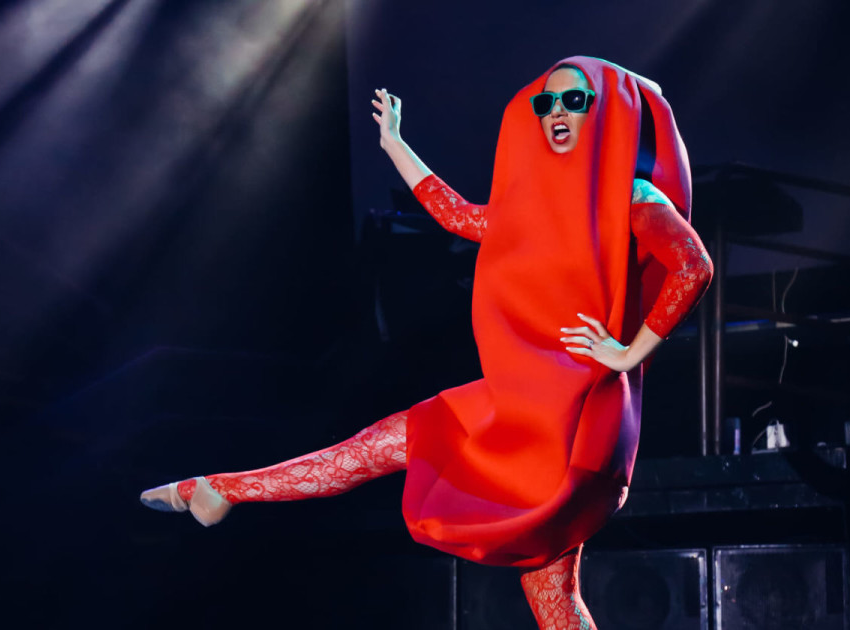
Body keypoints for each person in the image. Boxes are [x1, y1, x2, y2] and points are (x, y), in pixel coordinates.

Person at [141, 56, 713, 628]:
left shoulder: (630, 195)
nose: (557, 111)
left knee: (379, 451)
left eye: (575, 100)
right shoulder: (527, 201)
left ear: (603, 113)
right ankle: (220, 490)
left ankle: (219, 490)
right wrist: (394, 144)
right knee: (552, 598)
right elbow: (457, 214)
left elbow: (694, 266)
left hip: (571, 422)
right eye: (547, 102)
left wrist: (629, 352)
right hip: (520, 405)